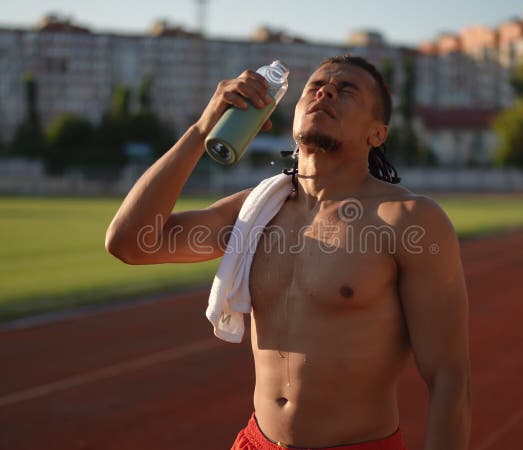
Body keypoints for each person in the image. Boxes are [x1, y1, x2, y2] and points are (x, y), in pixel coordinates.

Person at [105, 55, 471, 450]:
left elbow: (449, 377)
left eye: (346, 90)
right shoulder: (256, 211)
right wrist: (201, 128)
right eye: (314, 87)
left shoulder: (409, 220)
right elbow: (130, 243)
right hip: (256, 442)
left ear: (377, 134)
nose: (325, 91)